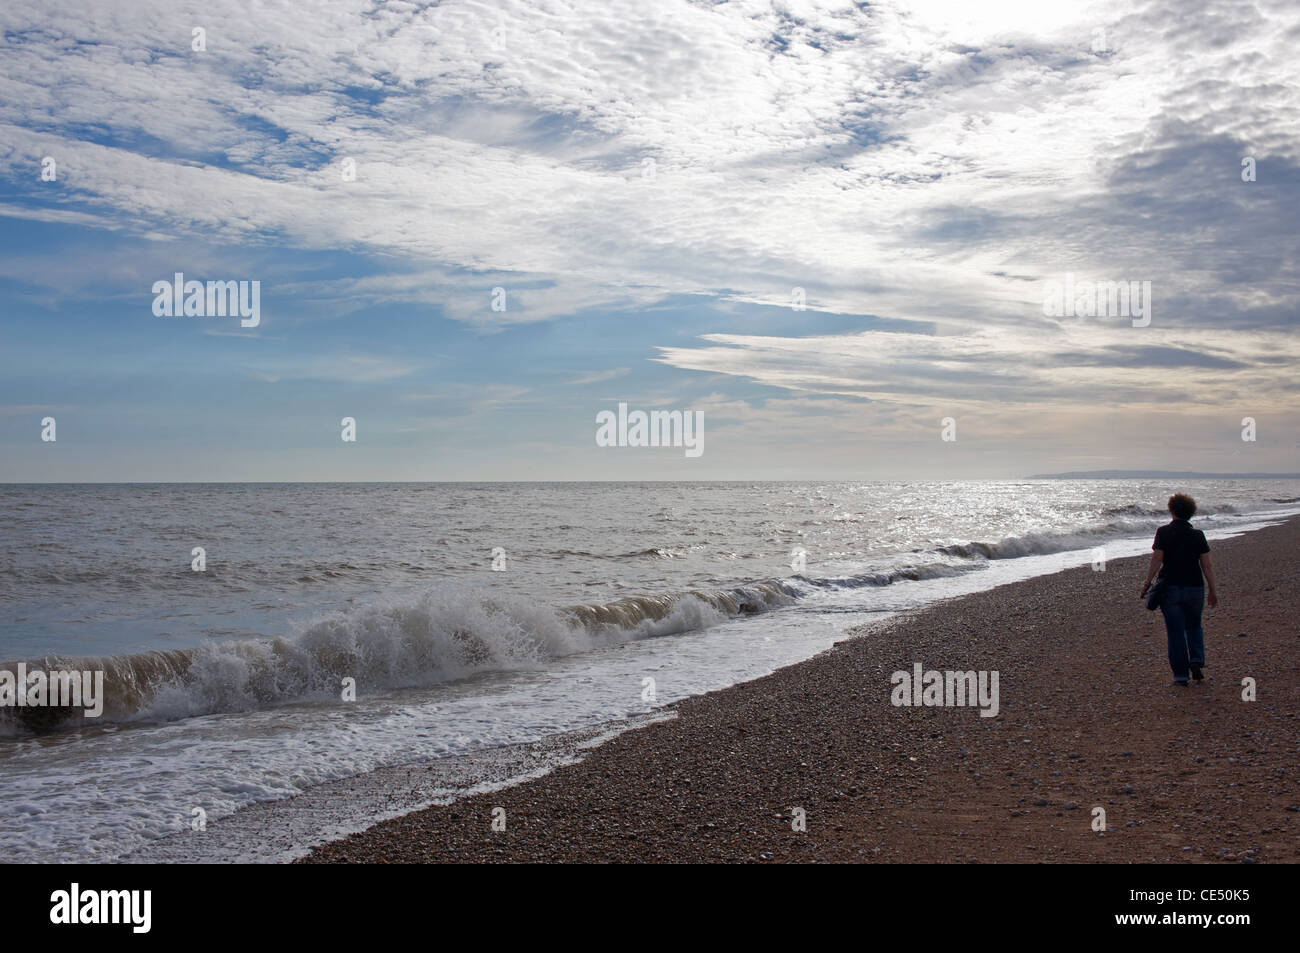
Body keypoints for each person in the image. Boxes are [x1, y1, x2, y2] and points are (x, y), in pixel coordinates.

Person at [1140, 493, 1219, 687]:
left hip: (1170, 588)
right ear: (1191, 513)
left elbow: (1157, 559)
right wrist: (1213, 590)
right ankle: (1196, 660)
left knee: (1175, 632)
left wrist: (1147, 583)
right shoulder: (1198, 535)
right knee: (1194, 626)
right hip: (1195, 588)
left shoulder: (1163, 532)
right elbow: (1207, 566)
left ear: (1172, 510)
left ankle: (1181, 676)